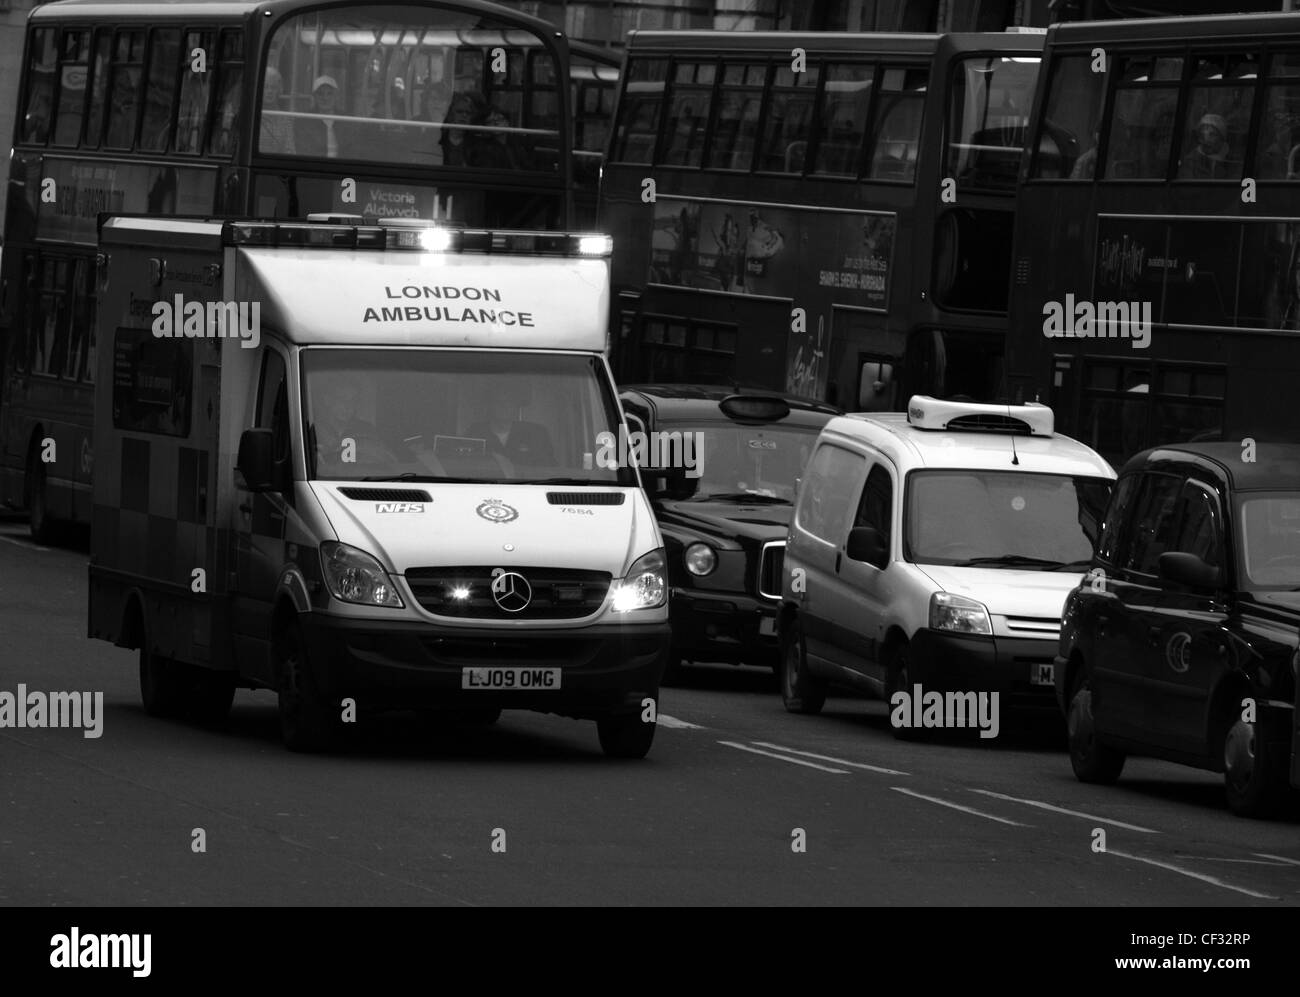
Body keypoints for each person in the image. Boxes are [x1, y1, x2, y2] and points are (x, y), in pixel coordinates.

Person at [465, 389, 553, 465]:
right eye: (498, 402)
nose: (503, 406)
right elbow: (465, 465)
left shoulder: (536, 433)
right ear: (490, 406)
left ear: (516, 407)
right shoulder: (476, 432)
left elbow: (548, 467)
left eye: (509, 402)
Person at [294, 76, 350, 159]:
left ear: (336, 96)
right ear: (314, 97)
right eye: (320, 94)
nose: (325, 98)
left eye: (329, 93)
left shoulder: (346, 120)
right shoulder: (304, 120)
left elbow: (351, 149)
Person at [470, 104, 531, 170]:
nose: (496, 123)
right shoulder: (483, 149)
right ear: (486, 126)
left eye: (499, 119)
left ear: (507, 123)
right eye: (491, 121)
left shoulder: (516, 144)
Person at [1179, 113, 1239, 179]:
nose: (1206, 140)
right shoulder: (1191, 161)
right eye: (1202, 135)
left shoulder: (1232, 160)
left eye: (1212, 135)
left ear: (1222, 137)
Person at [440, 90, 485, 166]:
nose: (464, 115)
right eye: (459, 111)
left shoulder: (478, 145)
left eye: (468, 113)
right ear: (450, 114)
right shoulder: (438, 140)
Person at [259, 67, 295, 154]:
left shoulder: (285, 120)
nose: (269, 91)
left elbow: (289, 150)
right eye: (266, 87)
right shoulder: (251, 115)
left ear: (279, 90)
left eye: (273, 87)